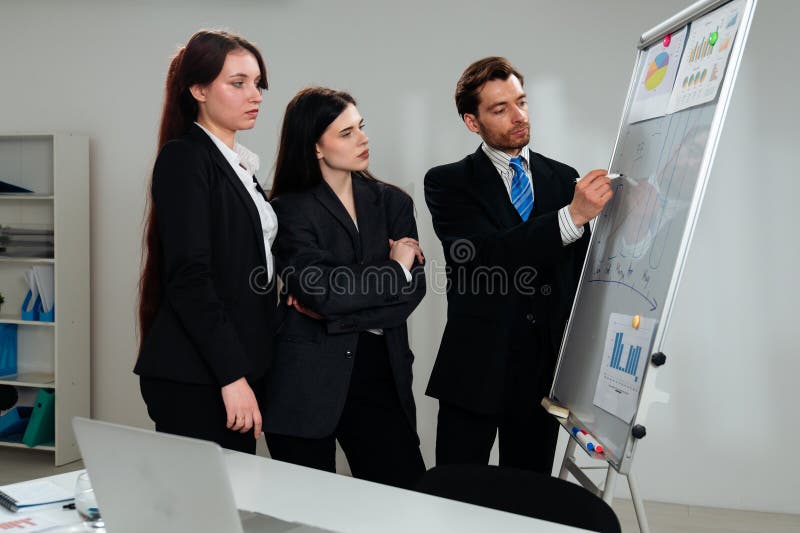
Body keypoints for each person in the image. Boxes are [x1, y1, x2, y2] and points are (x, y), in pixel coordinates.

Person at [424, 56, 613, 474]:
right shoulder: (447, 182)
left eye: (521, 102)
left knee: (529, 501)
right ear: (472, 122)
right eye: (500, 109)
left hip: (542, 378)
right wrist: (571, 217)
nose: (519, 116)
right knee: (455, 497)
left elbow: (582, 277)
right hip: (475, 370)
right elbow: (481, 257)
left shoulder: (565, 179)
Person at [264, 87, 426, 489]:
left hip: (380, 372)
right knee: (308, 512)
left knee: (404, 503)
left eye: (361, 127)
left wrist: (335, 314)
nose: (363, 139)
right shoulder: (286, 209)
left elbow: (411, 294)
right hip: (304, 380)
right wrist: (394, 268)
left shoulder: (393, 203)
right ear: (316, 146)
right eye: (346, 133)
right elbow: (323, 292)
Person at [135, 30, 278, 454]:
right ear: (198, 89)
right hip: (199, 373)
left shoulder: (240, 165)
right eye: (238, 83)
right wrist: (232, 377)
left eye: (257, 83)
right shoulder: (186, 157)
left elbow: (249, 263)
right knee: (204, 513)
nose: (255, 95)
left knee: (228, 507)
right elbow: (190, 278)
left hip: (232, 364)